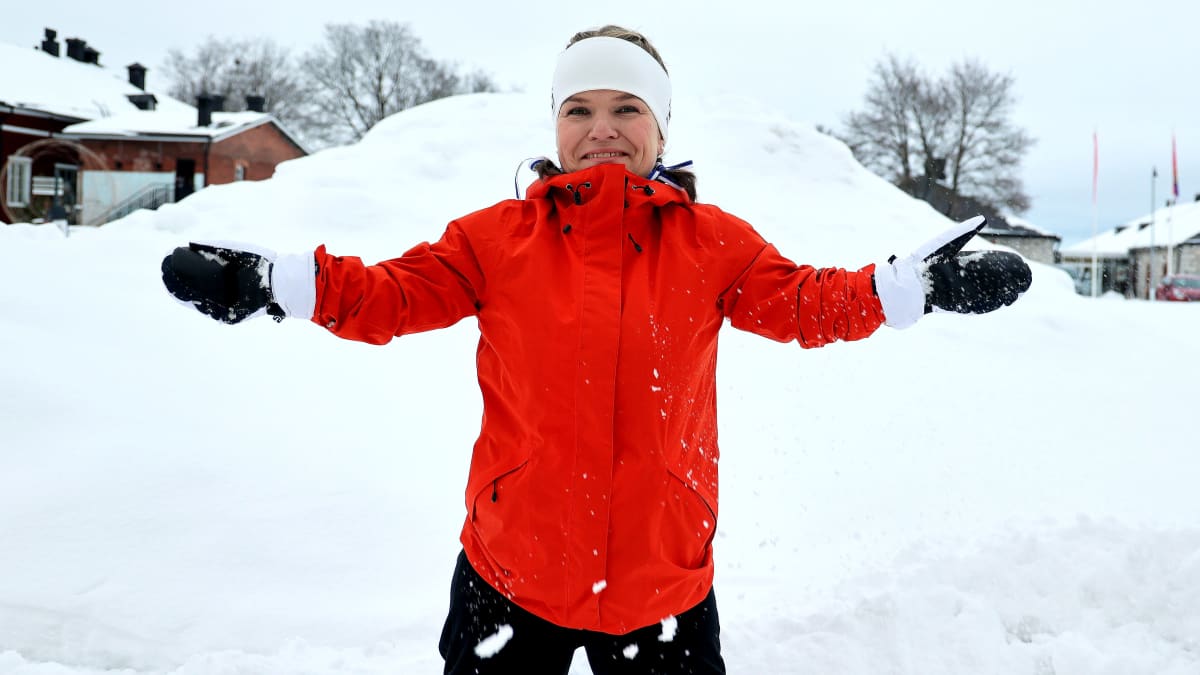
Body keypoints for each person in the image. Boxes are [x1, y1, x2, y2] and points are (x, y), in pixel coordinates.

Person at [161, 25, 1032, 675]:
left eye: (626, 109)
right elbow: (390, 295)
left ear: (659, 127)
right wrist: (278, 284)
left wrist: (904, 289)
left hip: (663, 581)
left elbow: (805, 303)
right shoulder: (495, 239)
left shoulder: (711, 243)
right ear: (555, 124)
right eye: (579, 110)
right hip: (512, 574)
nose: (601, 129)